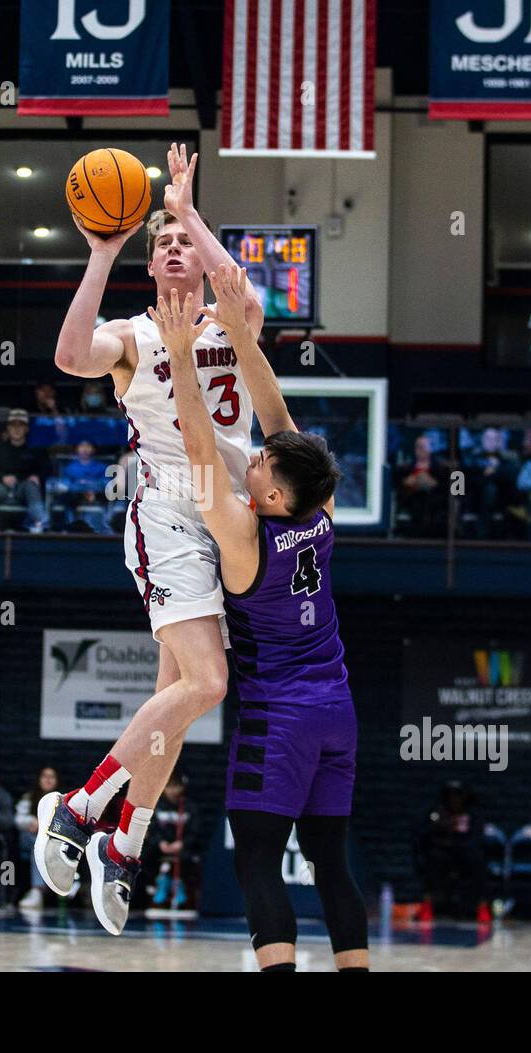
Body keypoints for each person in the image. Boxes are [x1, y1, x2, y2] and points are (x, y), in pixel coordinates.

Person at [37, 142, 274, 941]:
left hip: (232, 515)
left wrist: (183, 209)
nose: (176, 250)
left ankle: (124, 843)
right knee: (209, 682)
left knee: (180, 695)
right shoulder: (132, 335)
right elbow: (70, 357)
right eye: (163, 244)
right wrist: (104, 251)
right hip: (171, 512)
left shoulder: (233, 317)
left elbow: (238, 285)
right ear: (149, 268)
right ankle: (78, 807)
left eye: (184, 245)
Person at [120, 271, 367, 970]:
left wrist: (179, 355)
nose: (250, 461)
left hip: (281, 717)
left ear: (274, 495)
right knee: (330, 865)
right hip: (338, 714)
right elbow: (276, 412)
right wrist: (239, 336)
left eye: (258, 465)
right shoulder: (317, 513)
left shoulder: (241, 535)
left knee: (258, 860)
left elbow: (200, 450)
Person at [415, 780, 487, 924]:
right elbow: (424, 836)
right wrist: (441, 827)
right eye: (451, 796)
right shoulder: (436, 812)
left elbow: (477, 839)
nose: (455, 800)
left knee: (478, 862)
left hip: (465, 853)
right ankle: (428, 905)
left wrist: (460, 844)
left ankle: (481, 907)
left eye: (458, 796)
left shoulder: (473, 815)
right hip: (442, 853)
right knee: (430, 859)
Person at [143, 770, 203, 912]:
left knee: (189, 860)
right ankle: (154, 887)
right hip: (159, 847)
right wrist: (160, 842)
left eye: (176, 786)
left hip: (182, 847)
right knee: (145, 856)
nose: (172, 790)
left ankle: (179, 890)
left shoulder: (189, 807)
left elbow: (194, 831)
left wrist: (182, 843)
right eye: (168, 786)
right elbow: (151, 829)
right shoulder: (156, 806)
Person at [15, 766, 61, 910]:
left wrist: (45, 825)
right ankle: (37, 890)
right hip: (29, 839)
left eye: (51, 777)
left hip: (53, 842)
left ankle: (38, 891)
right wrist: (30, 821)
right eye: (44, 776)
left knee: (40, 846)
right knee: (37, 845)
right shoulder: (29, 798)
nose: (47, 780)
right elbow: (17, 819)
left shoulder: (63, 799)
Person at [395, 433, 449, 538]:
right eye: (418, 447)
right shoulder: (406, 467)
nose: (420, 450)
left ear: (430, 449)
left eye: (423, 447)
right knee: (418, 501)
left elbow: (450, 487)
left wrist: (434, 484)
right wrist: (407, 482)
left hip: (434, 499)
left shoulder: (441, 467)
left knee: (433, 502)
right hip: (412, 499)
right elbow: (399, 484)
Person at [59, 438, 111, 532]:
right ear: (77, 449)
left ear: (93, 449)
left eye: (88, 446)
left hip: (97, 497)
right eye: (82, 446)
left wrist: (91, 486)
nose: (85, 449)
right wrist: (82, 488)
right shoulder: (70, 467)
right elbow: (64, 485)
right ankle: (69, 528)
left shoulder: (101, 467)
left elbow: (107, 483)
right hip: (75, 498)